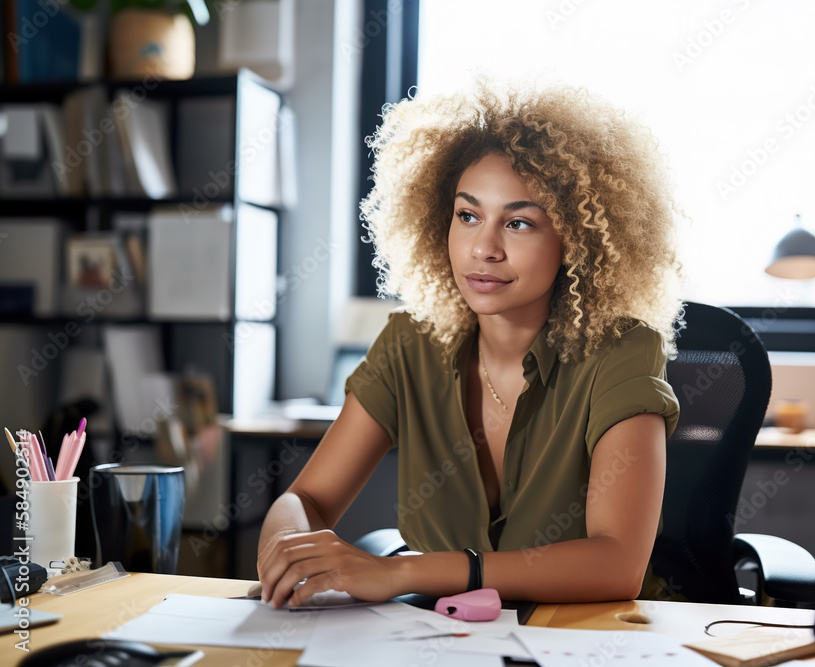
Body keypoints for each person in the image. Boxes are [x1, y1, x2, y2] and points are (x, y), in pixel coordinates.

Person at [257, 78, 684, 608]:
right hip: (437, 638)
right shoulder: (409, 344)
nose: (484, 248)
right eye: (468, 215)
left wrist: (405, 572)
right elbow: (306, 500)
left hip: (578, 638)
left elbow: (616, 564)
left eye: (520, 223)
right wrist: (285, 549)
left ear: (576, 241)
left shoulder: (623, 353)